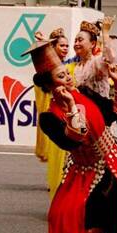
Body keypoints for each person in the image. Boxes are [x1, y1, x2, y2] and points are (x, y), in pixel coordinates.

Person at [29, 40, 117, 233]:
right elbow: (74, 140)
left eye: (66, 74)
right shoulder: (49, 118)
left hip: (109, 159)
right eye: (60, 77)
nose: (68, 78)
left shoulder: (85, 92)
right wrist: (69, 107)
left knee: (108, 193)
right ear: (50, 86)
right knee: (61, 214)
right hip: (81, 166)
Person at [38, 28, 74, 194]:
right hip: (56, 114)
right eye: (62, 45)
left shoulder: (72, 65)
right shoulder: (46, 72)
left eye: (67, 45)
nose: (65, 48)